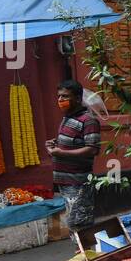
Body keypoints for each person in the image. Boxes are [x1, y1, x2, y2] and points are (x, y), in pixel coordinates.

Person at [46, 80, 101, 232]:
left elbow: (92, 149)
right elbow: (73, 143)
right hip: (64, 182)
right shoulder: (67, 118)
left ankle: (89, 255)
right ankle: (83, 254)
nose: (60, 100)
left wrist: (61, 152)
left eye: (65, 96)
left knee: (80, 225)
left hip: (78, 183)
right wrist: (54, 145)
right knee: (73, 225)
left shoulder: (88, 120)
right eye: (59, 96)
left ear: (77, 98)